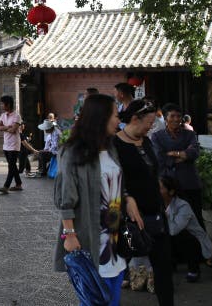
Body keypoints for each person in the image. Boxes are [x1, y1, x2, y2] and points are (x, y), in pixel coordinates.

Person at [54, 94, 140, 305]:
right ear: (100, 117)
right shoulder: (72, 153)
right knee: (94, 300)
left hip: (115, 243)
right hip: (90, 243)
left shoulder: (111, 149)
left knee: (113, 299)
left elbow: (117, 184)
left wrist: (127, 198)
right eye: (115, 115)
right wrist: (70, 234)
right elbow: (65, 198)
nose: (118, 120)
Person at [113, 99, 174, 306]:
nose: (151, 126)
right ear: (134, 119)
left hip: (155, 214)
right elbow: (111, 179)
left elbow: (153, 173)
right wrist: (126, 197)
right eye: (149, 122)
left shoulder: (146, 142)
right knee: (120, 264)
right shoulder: (115, 144)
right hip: (129, 220)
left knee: (163, 267)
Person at [151, 103, 205, 232]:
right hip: (168, 184)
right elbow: (160, 158)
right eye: (172, 116)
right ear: (165, 118)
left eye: (179, 116)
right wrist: (183, 155)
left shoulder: (189, 134)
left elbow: (194, 152)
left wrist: (174, 153)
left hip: (190, 182)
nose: (176, 119)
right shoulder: (157, 136)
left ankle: (200, 243)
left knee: (196, 217)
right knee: (170, 220)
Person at [160, 175, 212, 283]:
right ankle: (171, 264)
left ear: (171, 191)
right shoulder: (160, 204)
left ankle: (194, 270)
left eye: (160, 188)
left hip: (197, 246)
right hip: (179, 246)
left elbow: (174, 230)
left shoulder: (183, 206)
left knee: (182, 234)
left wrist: (165, 217)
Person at [0, 95, 23, 194]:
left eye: (2, 104)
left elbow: (13, 130)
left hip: (14, 145)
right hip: (6, 144)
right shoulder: (3, 115)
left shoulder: (17, 116)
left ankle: (6, 186)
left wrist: (4, 127)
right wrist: (8, 127)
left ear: (8, 104)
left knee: (11, 166)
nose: (1, 105)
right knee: (12, 166)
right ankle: (18, 184)